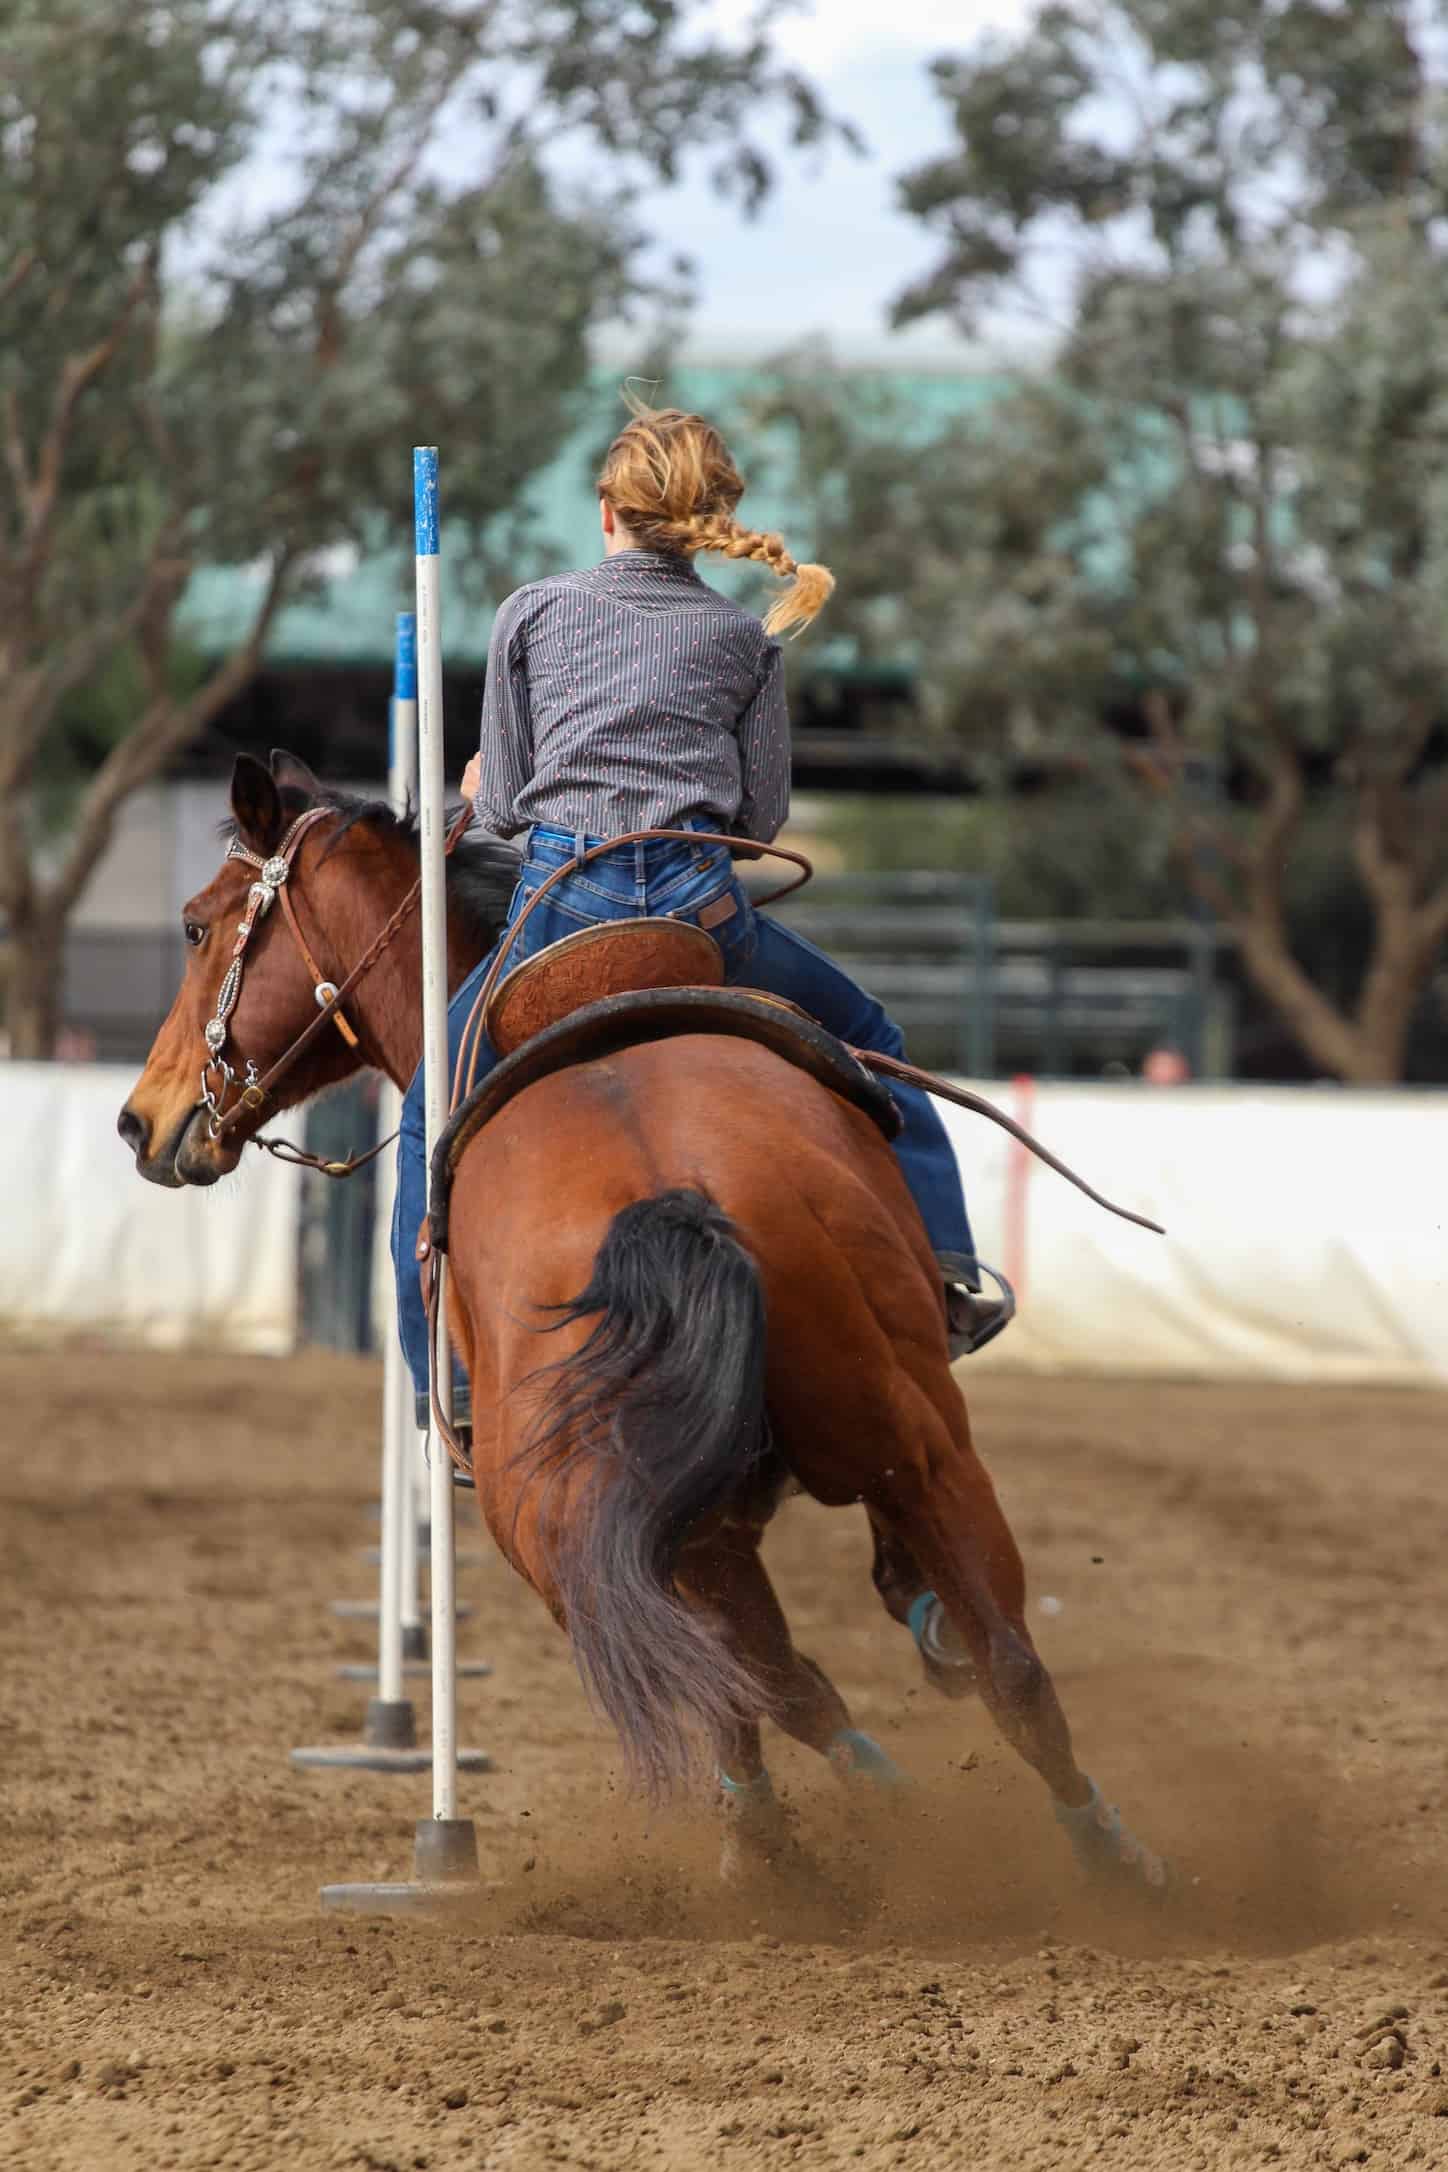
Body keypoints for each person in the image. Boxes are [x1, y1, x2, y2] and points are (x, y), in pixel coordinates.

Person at [392, 402, 1010, 1424]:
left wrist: (475, 786)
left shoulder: (531, 613)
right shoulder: (742, 637)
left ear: (606, 512)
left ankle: (443, 1382)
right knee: (872, 1038)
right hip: (700, 918)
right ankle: (946, 1270)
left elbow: (499, 807)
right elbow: (760, 817)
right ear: (709, 522)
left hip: (560, 912)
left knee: (426, 1110)